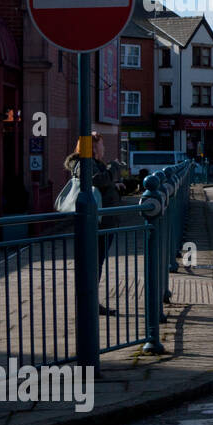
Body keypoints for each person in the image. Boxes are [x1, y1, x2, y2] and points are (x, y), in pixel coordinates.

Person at [64, 132, 127, 313]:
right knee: (93, 263)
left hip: (104, 222)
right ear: (92, 147)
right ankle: (88, 304)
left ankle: (91, 302)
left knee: (96, 263)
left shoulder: (93, 163)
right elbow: (97, 180)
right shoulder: (83, 163)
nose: (104, 148)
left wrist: (115, 186)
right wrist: (114, 167)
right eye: (101, 144)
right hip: (94, 223)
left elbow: (101, 184)